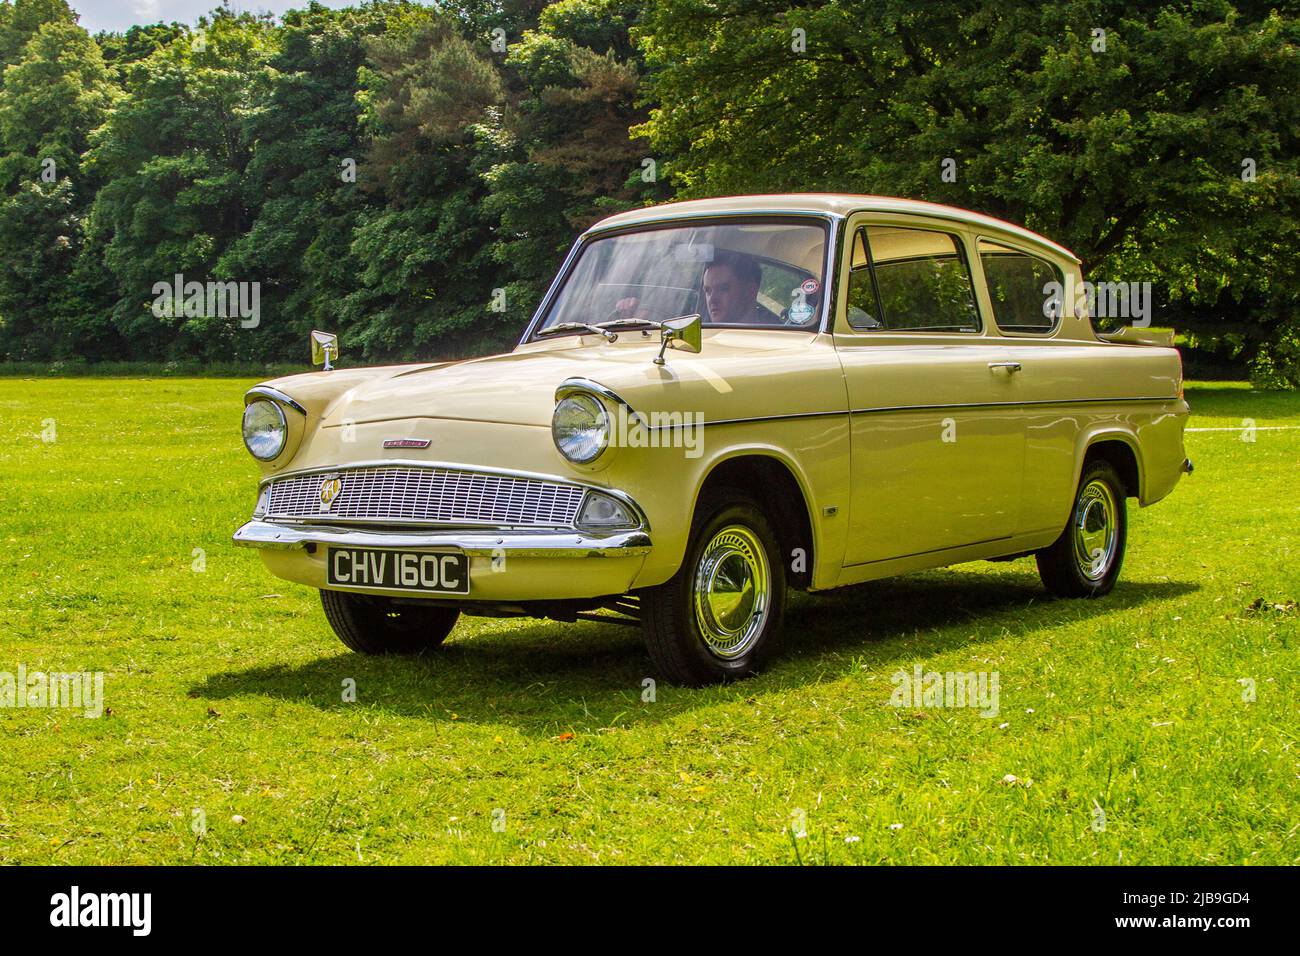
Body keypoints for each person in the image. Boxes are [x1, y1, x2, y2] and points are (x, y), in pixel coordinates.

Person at [702, 250, 781, 325]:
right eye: (707, 291)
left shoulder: (773, 336)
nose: (712, 299)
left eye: (722, 289)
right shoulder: (701, 336)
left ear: (749, 291)